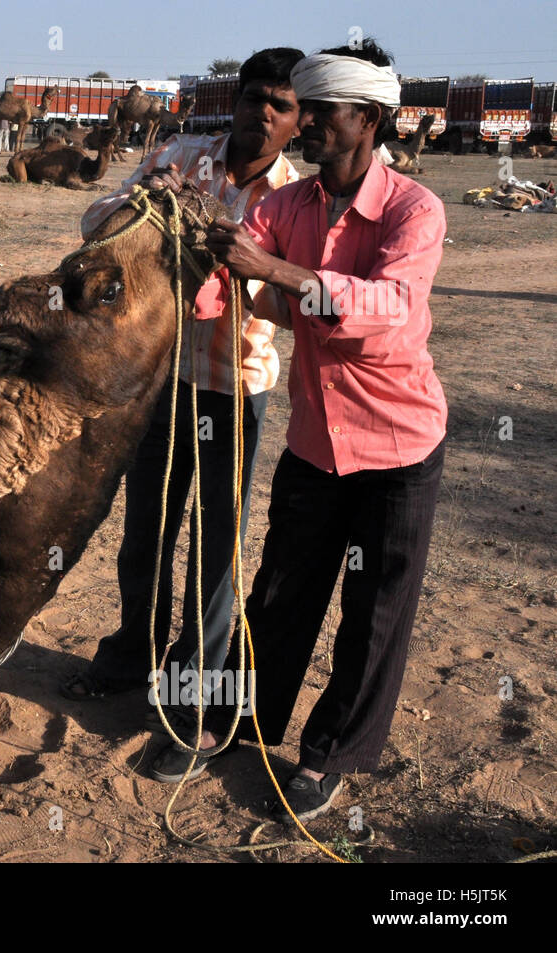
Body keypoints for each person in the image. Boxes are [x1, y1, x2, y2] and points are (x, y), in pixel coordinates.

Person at [157, 38, 448, 823]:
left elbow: (388, 313)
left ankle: (327, 757)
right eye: (303, 106)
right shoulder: (284, 207)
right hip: (316, 446)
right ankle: (232, 721)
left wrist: (272, 271)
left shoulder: (413, 210)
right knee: (281, 594)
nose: (305, 121)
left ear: (372, 119)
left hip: (398, 448)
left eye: (322, 109)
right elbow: (278, 303)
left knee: (374, 613)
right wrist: (213, 266)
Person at [64, 49, 304, 738]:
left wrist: (249, 271)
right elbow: (93, 224)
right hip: (162, 380)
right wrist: (148, 197)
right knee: (145, 532)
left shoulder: (293, 197)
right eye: (256, 96)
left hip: (235, 386)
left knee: (217, 542)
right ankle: (130, 655)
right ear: (234, 99)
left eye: (280, 105)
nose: (264, 111)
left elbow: (292, 305)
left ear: (296, 122)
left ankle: (193, 679)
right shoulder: (182, 155)